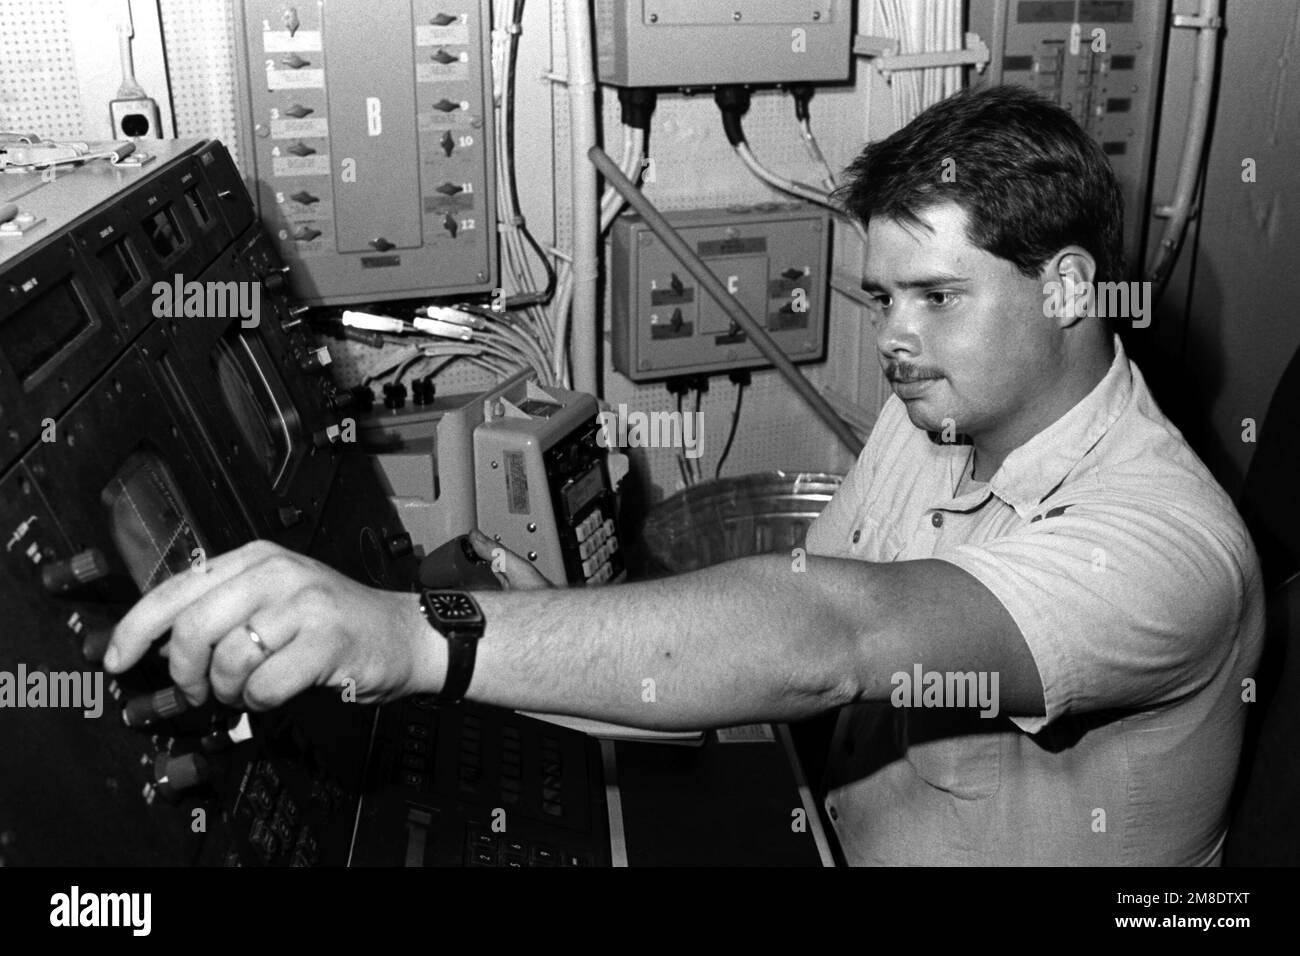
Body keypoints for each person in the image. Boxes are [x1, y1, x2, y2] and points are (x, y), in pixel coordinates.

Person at [106, 86, 1264, 865]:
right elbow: (789, 646)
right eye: (883, 298)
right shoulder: (944, 413)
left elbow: (832, 631)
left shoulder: (1169, 548)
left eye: (937, 297)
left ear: (1068, 290)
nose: (896, 342)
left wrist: (415, 634)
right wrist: (460, 646)